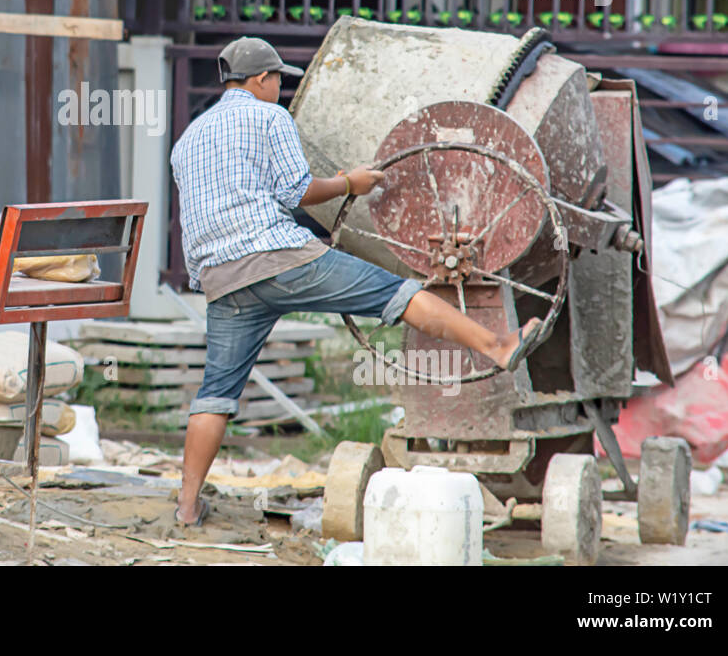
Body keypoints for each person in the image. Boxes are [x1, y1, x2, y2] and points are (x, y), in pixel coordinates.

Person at [168, 36, 541, 526]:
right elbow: (297, 191)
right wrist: (351, 182)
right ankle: (496, 346)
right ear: (261, 79)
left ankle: (187, 506)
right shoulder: (269, 117)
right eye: (278, 81)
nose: (281, 92)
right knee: (400, 295)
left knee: (215, 393)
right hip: (281, 258)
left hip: (221, 277)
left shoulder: (187, 140)